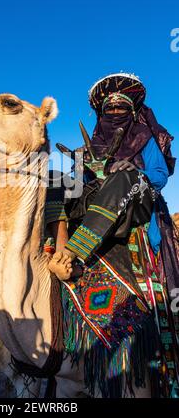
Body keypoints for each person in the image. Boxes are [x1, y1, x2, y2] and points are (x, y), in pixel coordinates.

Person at [48, 73, 179, 397]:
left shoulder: (144, 139)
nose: (115, 110)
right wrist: (78, 170)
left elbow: (159, 176)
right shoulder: (90, 147)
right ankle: (60, 249)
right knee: (54, 179)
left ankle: (73, 254)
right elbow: (75, 184)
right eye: (109, 105)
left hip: (136, 201)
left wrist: (133, 171)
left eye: (122, 105)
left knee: (125, 177)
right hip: (97, 205)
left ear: (133, 110)